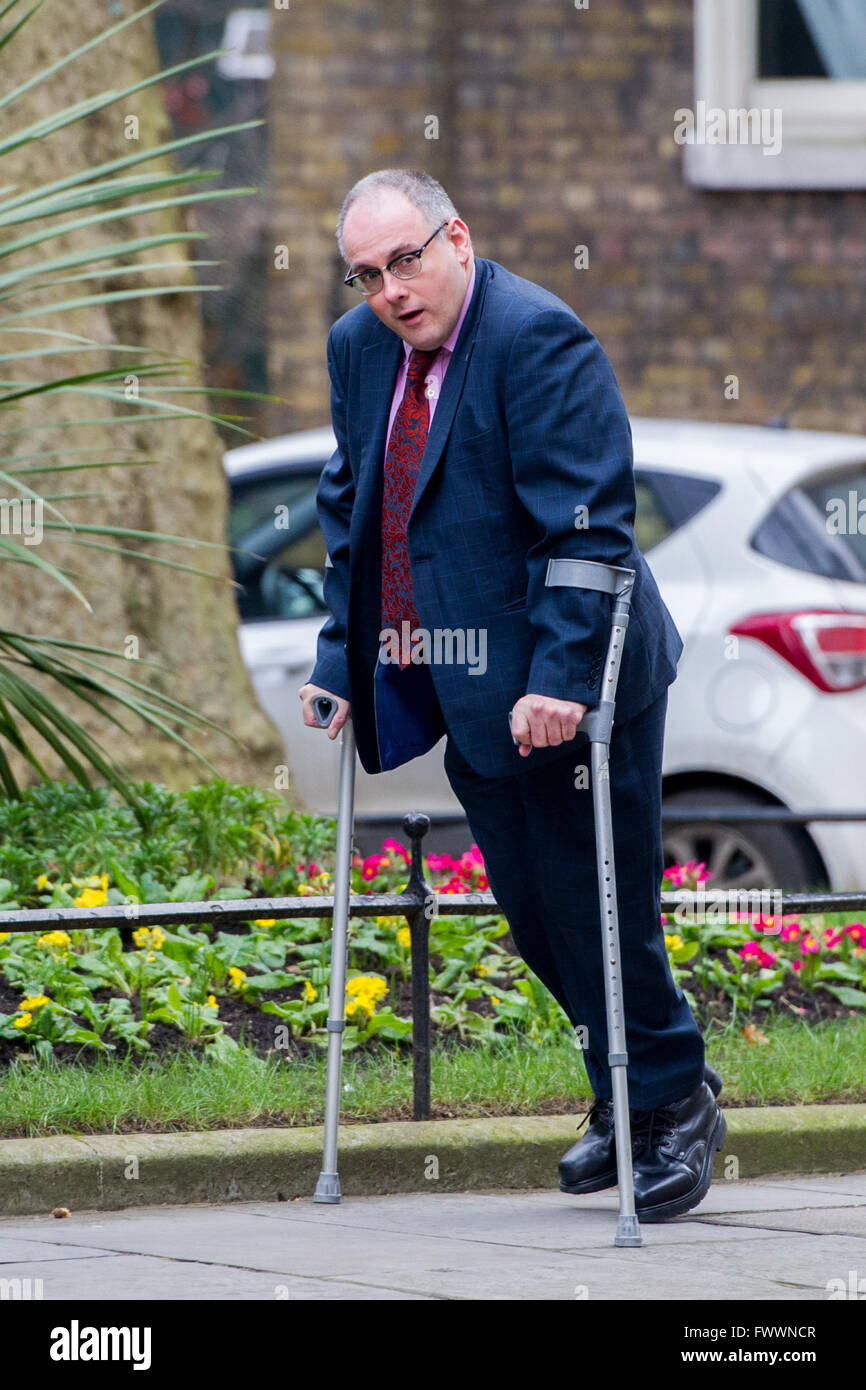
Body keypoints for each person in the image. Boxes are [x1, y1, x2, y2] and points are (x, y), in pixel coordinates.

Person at [298, 167, 726, 1222]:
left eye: (405, 261)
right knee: (534, 911)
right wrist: (338, 657)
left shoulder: (536, 337)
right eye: (366, 275)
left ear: (456, 238)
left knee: (598, 901)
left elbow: (585, 530)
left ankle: (670, 1103)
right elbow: (353, 504)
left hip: (576, 678)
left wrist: (559, 681)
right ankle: (620, 1089)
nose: (390, 291)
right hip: (461, 680)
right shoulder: (360, 351)